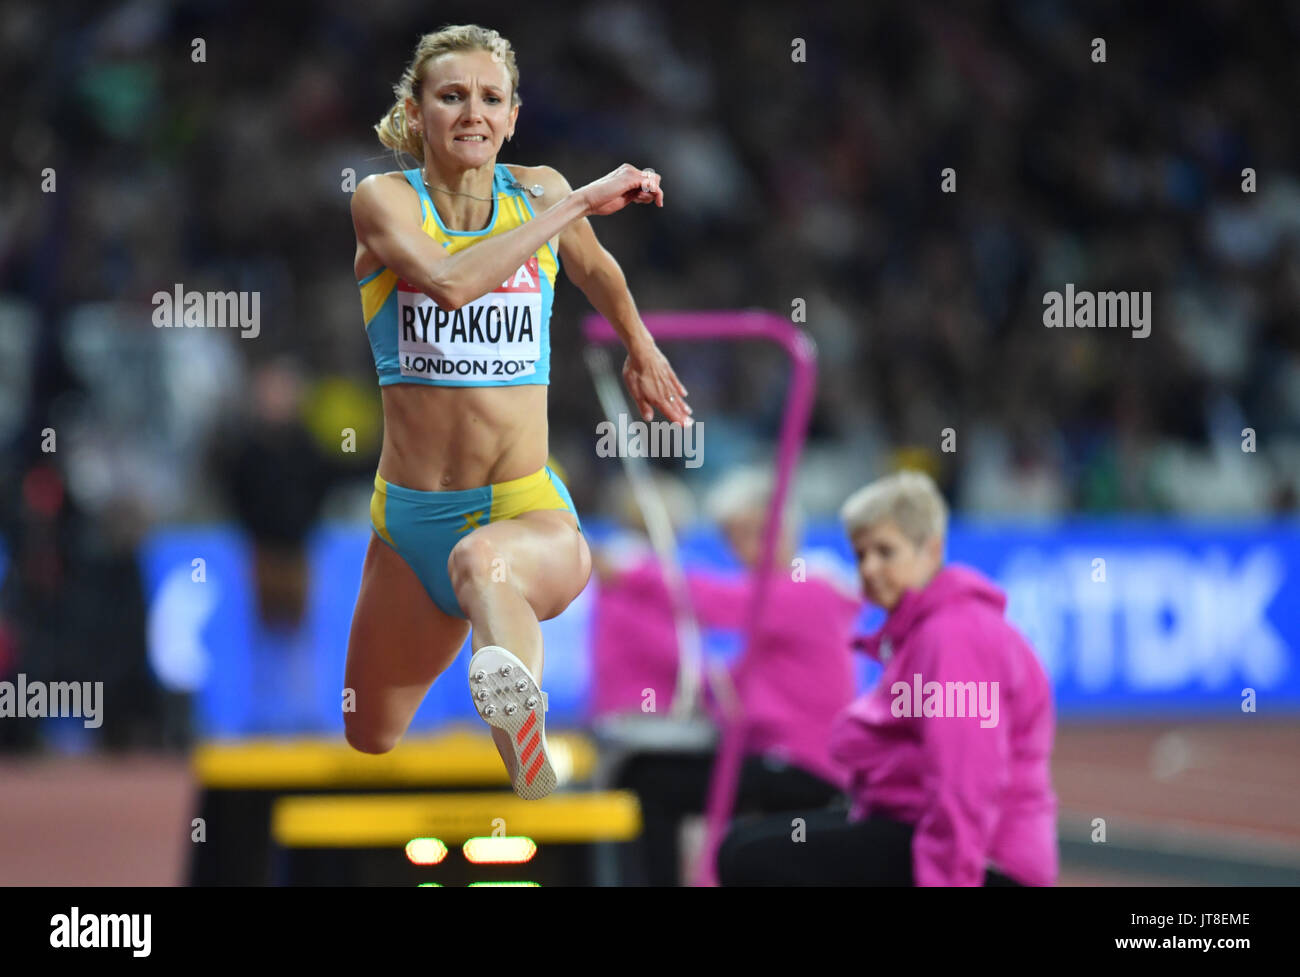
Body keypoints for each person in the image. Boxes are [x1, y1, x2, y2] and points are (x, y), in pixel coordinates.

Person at [343, 24, 691, 800]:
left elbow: (600, 271)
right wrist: (574, 206)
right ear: (416, 111)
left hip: (527, 510)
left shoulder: (538, 191)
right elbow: (450, 281)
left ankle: (521, 742)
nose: (473, 112)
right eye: (452, 96)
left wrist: (640, 344)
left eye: (490, 98)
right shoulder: (383, 200)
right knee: (368, 732)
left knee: (484, 563)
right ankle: (504, 690)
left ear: (513, 116)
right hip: (410, 521)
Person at [718, 470, 1058, 885]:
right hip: (919, 831)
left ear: (931, 551)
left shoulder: (956, 638)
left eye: (885, 552)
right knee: (745, 848)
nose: (871, 569)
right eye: (861, 555)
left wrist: (946, 880)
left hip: (981, 861)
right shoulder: (921, 633)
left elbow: (967, 780)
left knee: (754, 858)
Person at [603, 467, 860, 884]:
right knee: (644, 775)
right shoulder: (784, 600)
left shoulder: (807, 590)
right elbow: (727, 688)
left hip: (803, 764)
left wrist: (633, 573)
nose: (743, 548)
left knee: (653, 785)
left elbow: (712, 601)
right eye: (733, 537)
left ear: (783, 528)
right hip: (771, 757)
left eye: (753, 532)